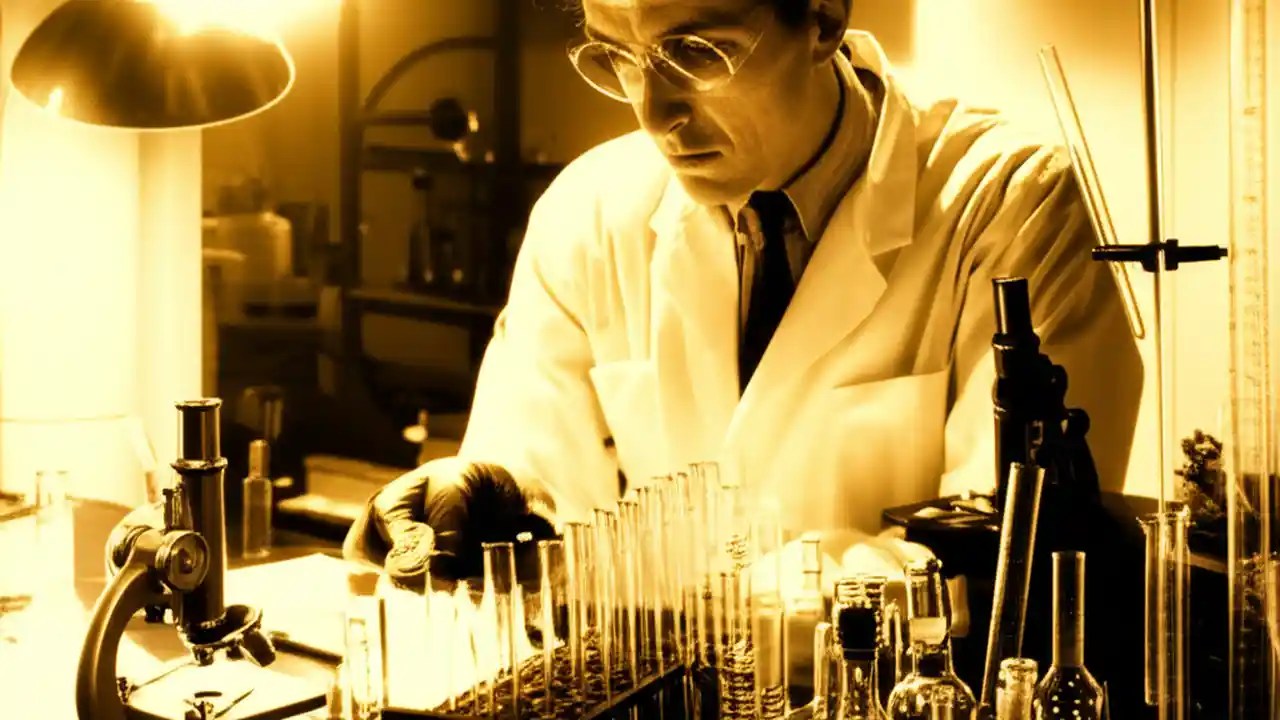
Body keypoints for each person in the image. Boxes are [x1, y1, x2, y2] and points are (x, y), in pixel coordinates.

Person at [343, 0, 1142, 584]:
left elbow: (1015, 556)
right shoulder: (587, 210)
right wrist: (476, 503)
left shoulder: (1008, 201)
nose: (653, 113)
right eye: (618, 57)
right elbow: (539, 486)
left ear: (822, 18)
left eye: (695, 52)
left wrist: (733, 608)